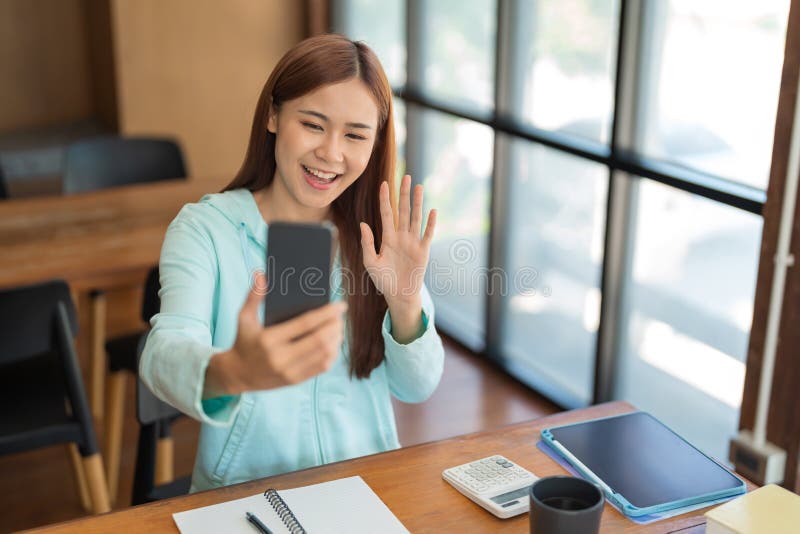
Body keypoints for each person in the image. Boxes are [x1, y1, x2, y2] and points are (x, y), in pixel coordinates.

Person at [140, 34, 445, 492]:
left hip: (363, 491)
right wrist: (234, 371)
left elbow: (416, 387)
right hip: (242, 496)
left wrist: (404, 305)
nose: (331, 153)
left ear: (375, 143)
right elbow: (164, 353)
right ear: (273, 115)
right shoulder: (206, 229)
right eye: (314, 124)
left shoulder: (380, 241)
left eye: (355, 135)